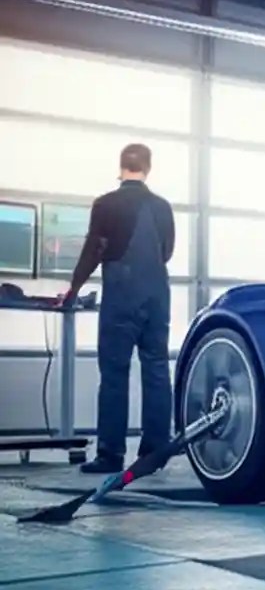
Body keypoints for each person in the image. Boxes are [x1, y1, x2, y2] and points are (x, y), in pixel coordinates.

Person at [62, 143, 176, 473]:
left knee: (114, 375)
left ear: (121, 167)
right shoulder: (163, 207)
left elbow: (93, 250)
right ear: (148, 168)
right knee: (156, 370)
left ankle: (111, 455)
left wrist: (74, 289)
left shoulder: (106, 205)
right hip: (156, 295)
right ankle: (154, 453)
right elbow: (166, 252)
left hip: (120, 295)